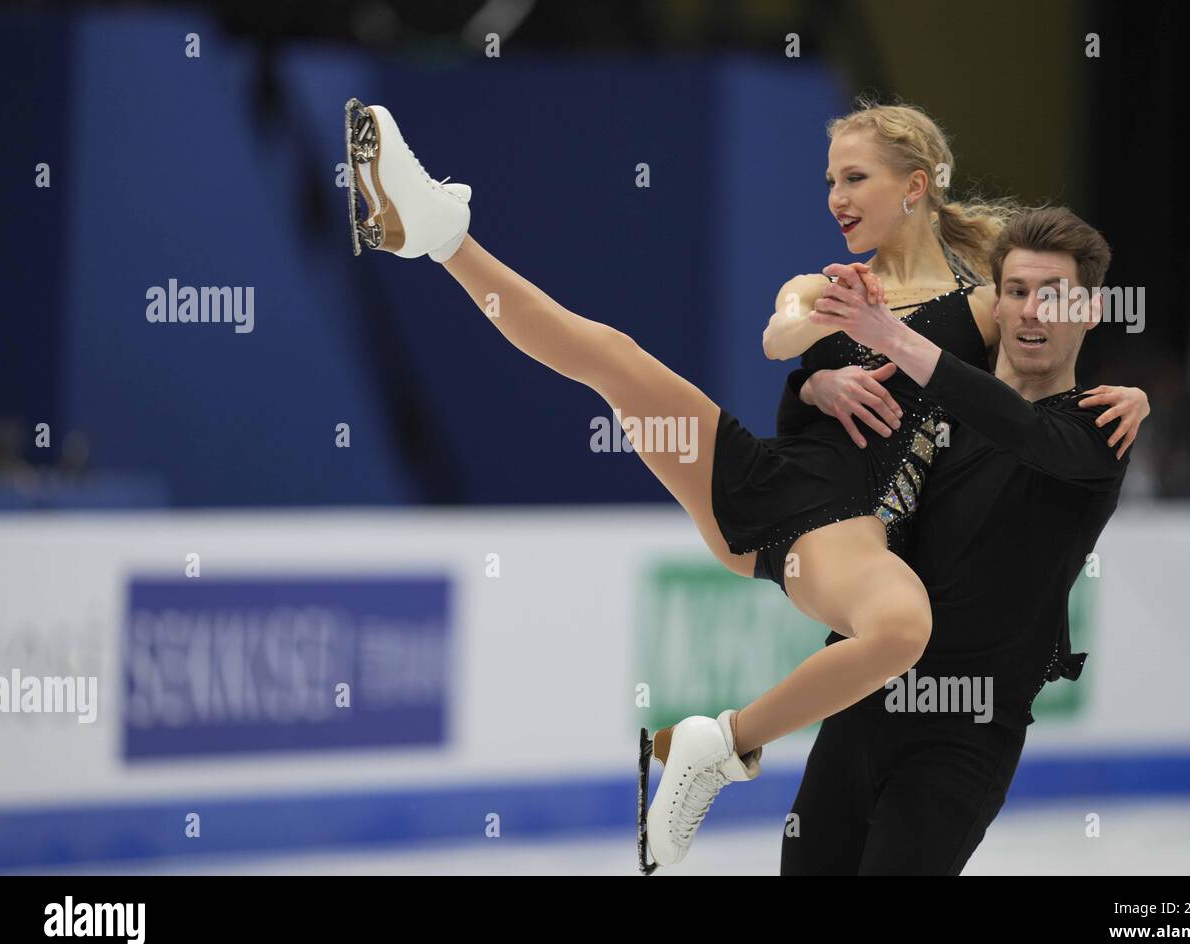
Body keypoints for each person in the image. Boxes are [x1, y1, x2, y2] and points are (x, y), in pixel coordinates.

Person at [340, 97, 1148, 871]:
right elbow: (780, 334)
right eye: (830, 179)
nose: (836, 196)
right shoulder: (826, 283)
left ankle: (717, 746)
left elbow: (1035, 352)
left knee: (902, 629)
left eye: (855, 177)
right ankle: (444, 239)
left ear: (916, 185)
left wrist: (1128, 391)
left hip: (844, 525)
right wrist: (819, 364)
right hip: (761, 486)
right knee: (613, 358)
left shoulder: (980, 310)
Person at [777, 206, 1139, 873]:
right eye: (1018, 292)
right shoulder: (934, 406)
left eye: (1055, 296)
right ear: (995, 305)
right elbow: (810, 448)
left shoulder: (1098, 431)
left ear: (1091, 311)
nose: (1032, 311)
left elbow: (1019, 429)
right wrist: (815, 387)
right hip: (862, 701)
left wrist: (889, 334)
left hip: (966, 734)